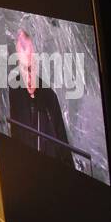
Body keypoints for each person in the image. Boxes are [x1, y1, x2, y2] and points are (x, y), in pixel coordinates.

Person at [8, 28, 73, 167]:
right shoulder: (14, 91)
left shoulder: (50, 97)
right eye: (24, 68)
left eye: (31, 67)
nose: (29, 77)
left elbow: (65, 150)